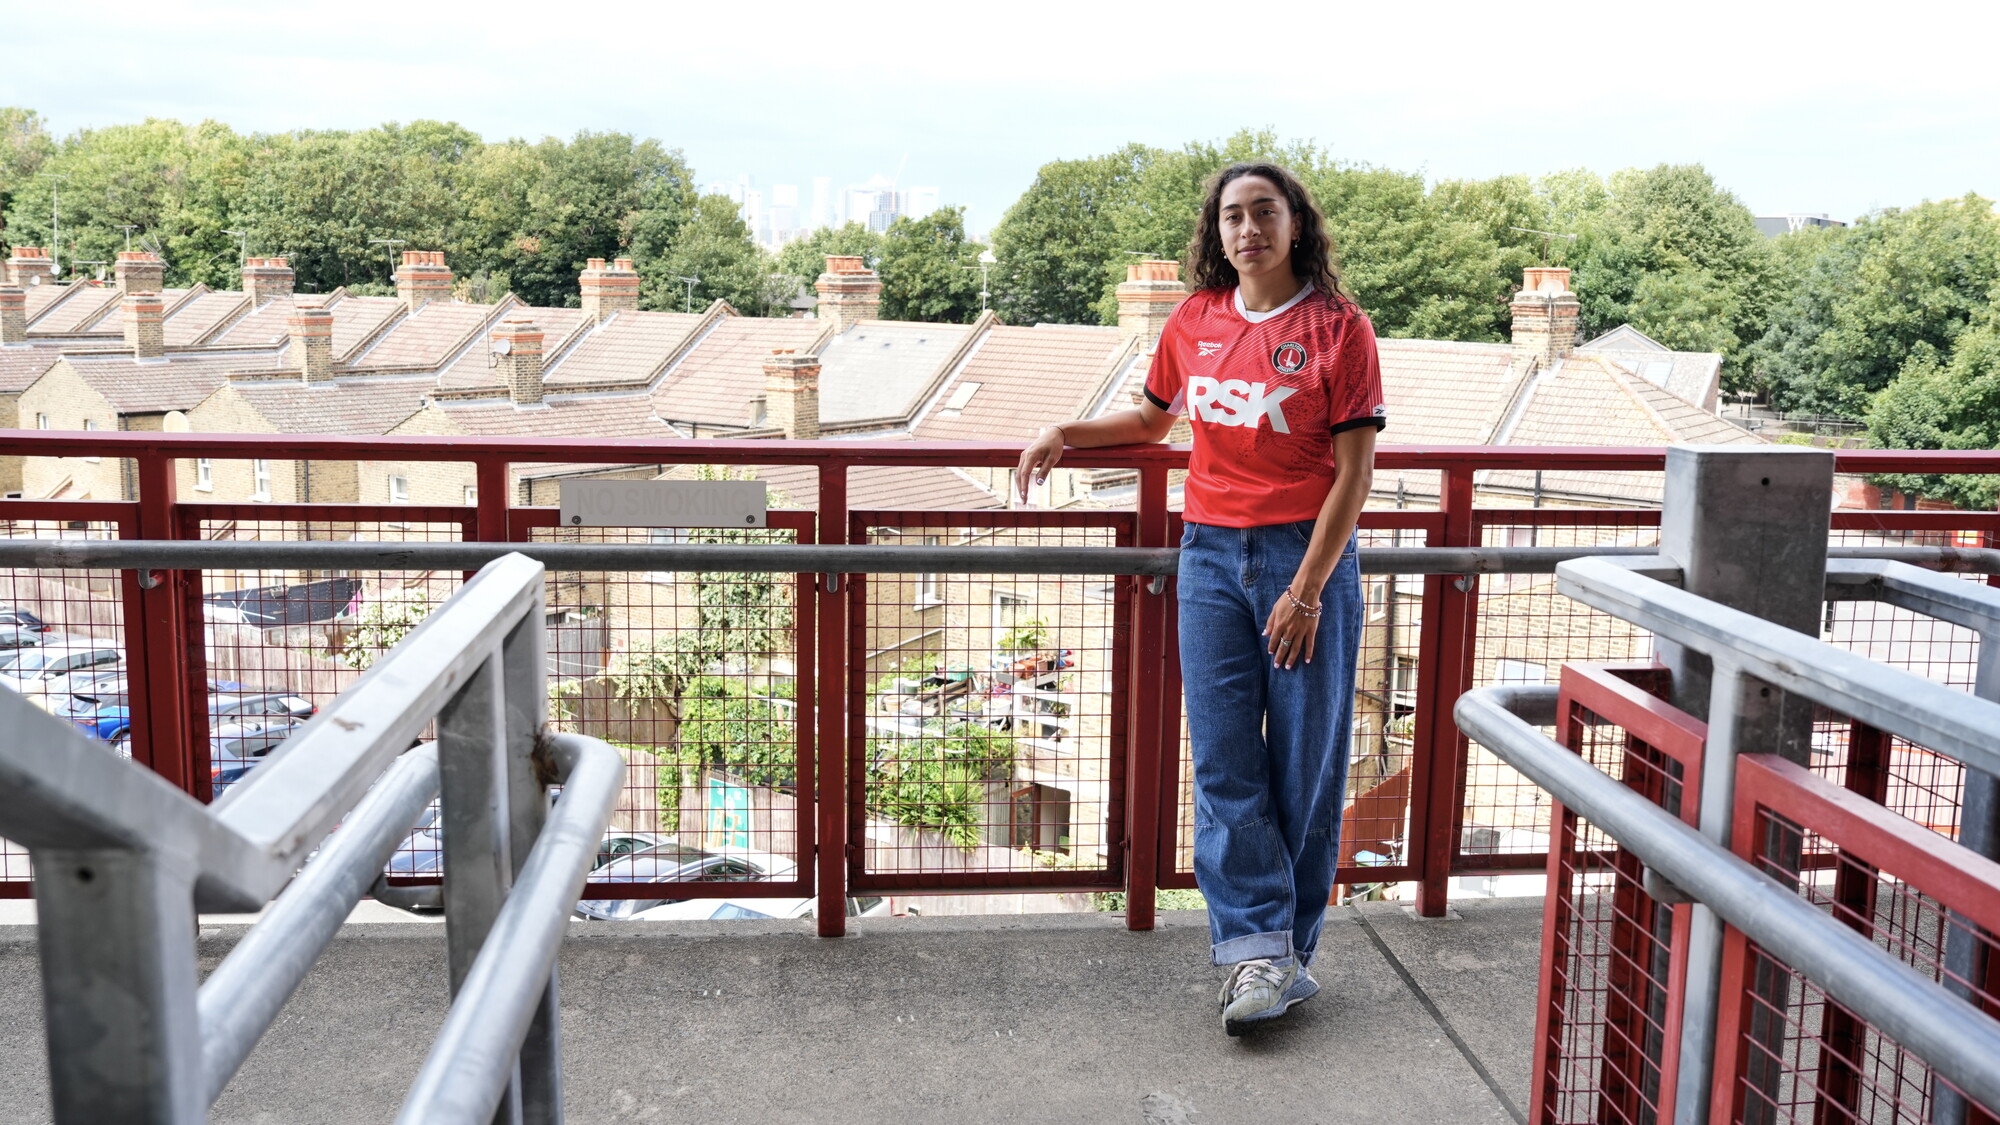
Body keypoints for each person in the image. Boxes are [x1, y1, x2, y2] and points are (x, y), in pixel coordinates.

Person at [1014, 161, 1383, 1035]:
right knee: (1223, 763)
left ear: (1296, 224)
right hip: (1210, 560)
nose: (1248, 229)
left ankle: (1284, 950)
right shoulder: (1195, 320)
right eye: (1232, 217)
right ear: (1216, 233)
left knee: (1304, 766)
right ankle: (1254, 954)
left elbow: (1357, 474)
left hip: (1306, 562)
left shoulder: (1340, 329)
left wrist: (1306, 590)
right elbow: (1152, 421)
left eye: (1265, 212)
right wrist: (1066, 430)